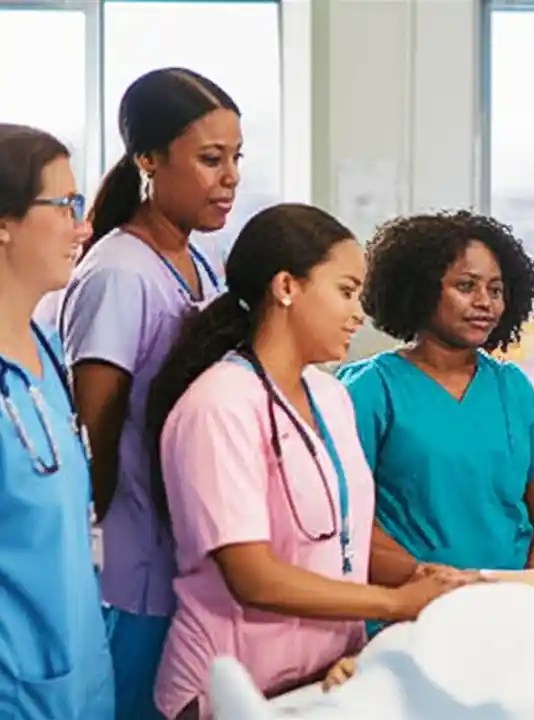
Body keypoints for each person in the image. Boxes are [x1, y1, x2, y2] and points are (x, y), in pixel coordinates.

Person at [145, 204, 478, 719]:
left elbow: (349, 532)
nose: (358, 313)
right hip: (230, 688)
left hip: (323, 678)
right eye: (346, 292)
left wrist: (423, 576)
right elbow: (253, 577)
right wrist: (395, 604)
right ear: (286, 287)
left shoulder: (329, 397)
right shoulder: (219, 407)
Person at [57, 67, 241, 718]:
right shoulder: (117, 273)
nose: (231, 178)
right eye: (211, 159)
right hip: (130, 576)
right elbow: (95, 440)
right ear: (148, 160)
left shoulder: (202, 263)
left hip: (182, 565)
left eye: (236, 159)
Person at [212, 509, 534, 720]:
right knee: (409, 664)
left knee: (506, 692)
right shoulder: (506, 576)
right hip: (475, 619)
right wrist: (367, 659)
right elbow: (424, 612)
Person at [337, 211, 534, 576]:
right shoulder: (369, 389)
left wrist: (524, 587)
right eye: (466, 286)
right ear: (422, 290)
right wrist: (427, 583)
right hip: (410, 606)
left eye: (495, 289)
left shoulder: (512, 388)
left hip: (511, 600)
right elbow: (349, 518)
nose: (484, 302)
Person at [0, 124, 114, 718]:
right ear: (4, 222)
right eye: (66, 205)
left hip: (79, 678)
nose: (84, 225)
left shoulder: (45, 350)